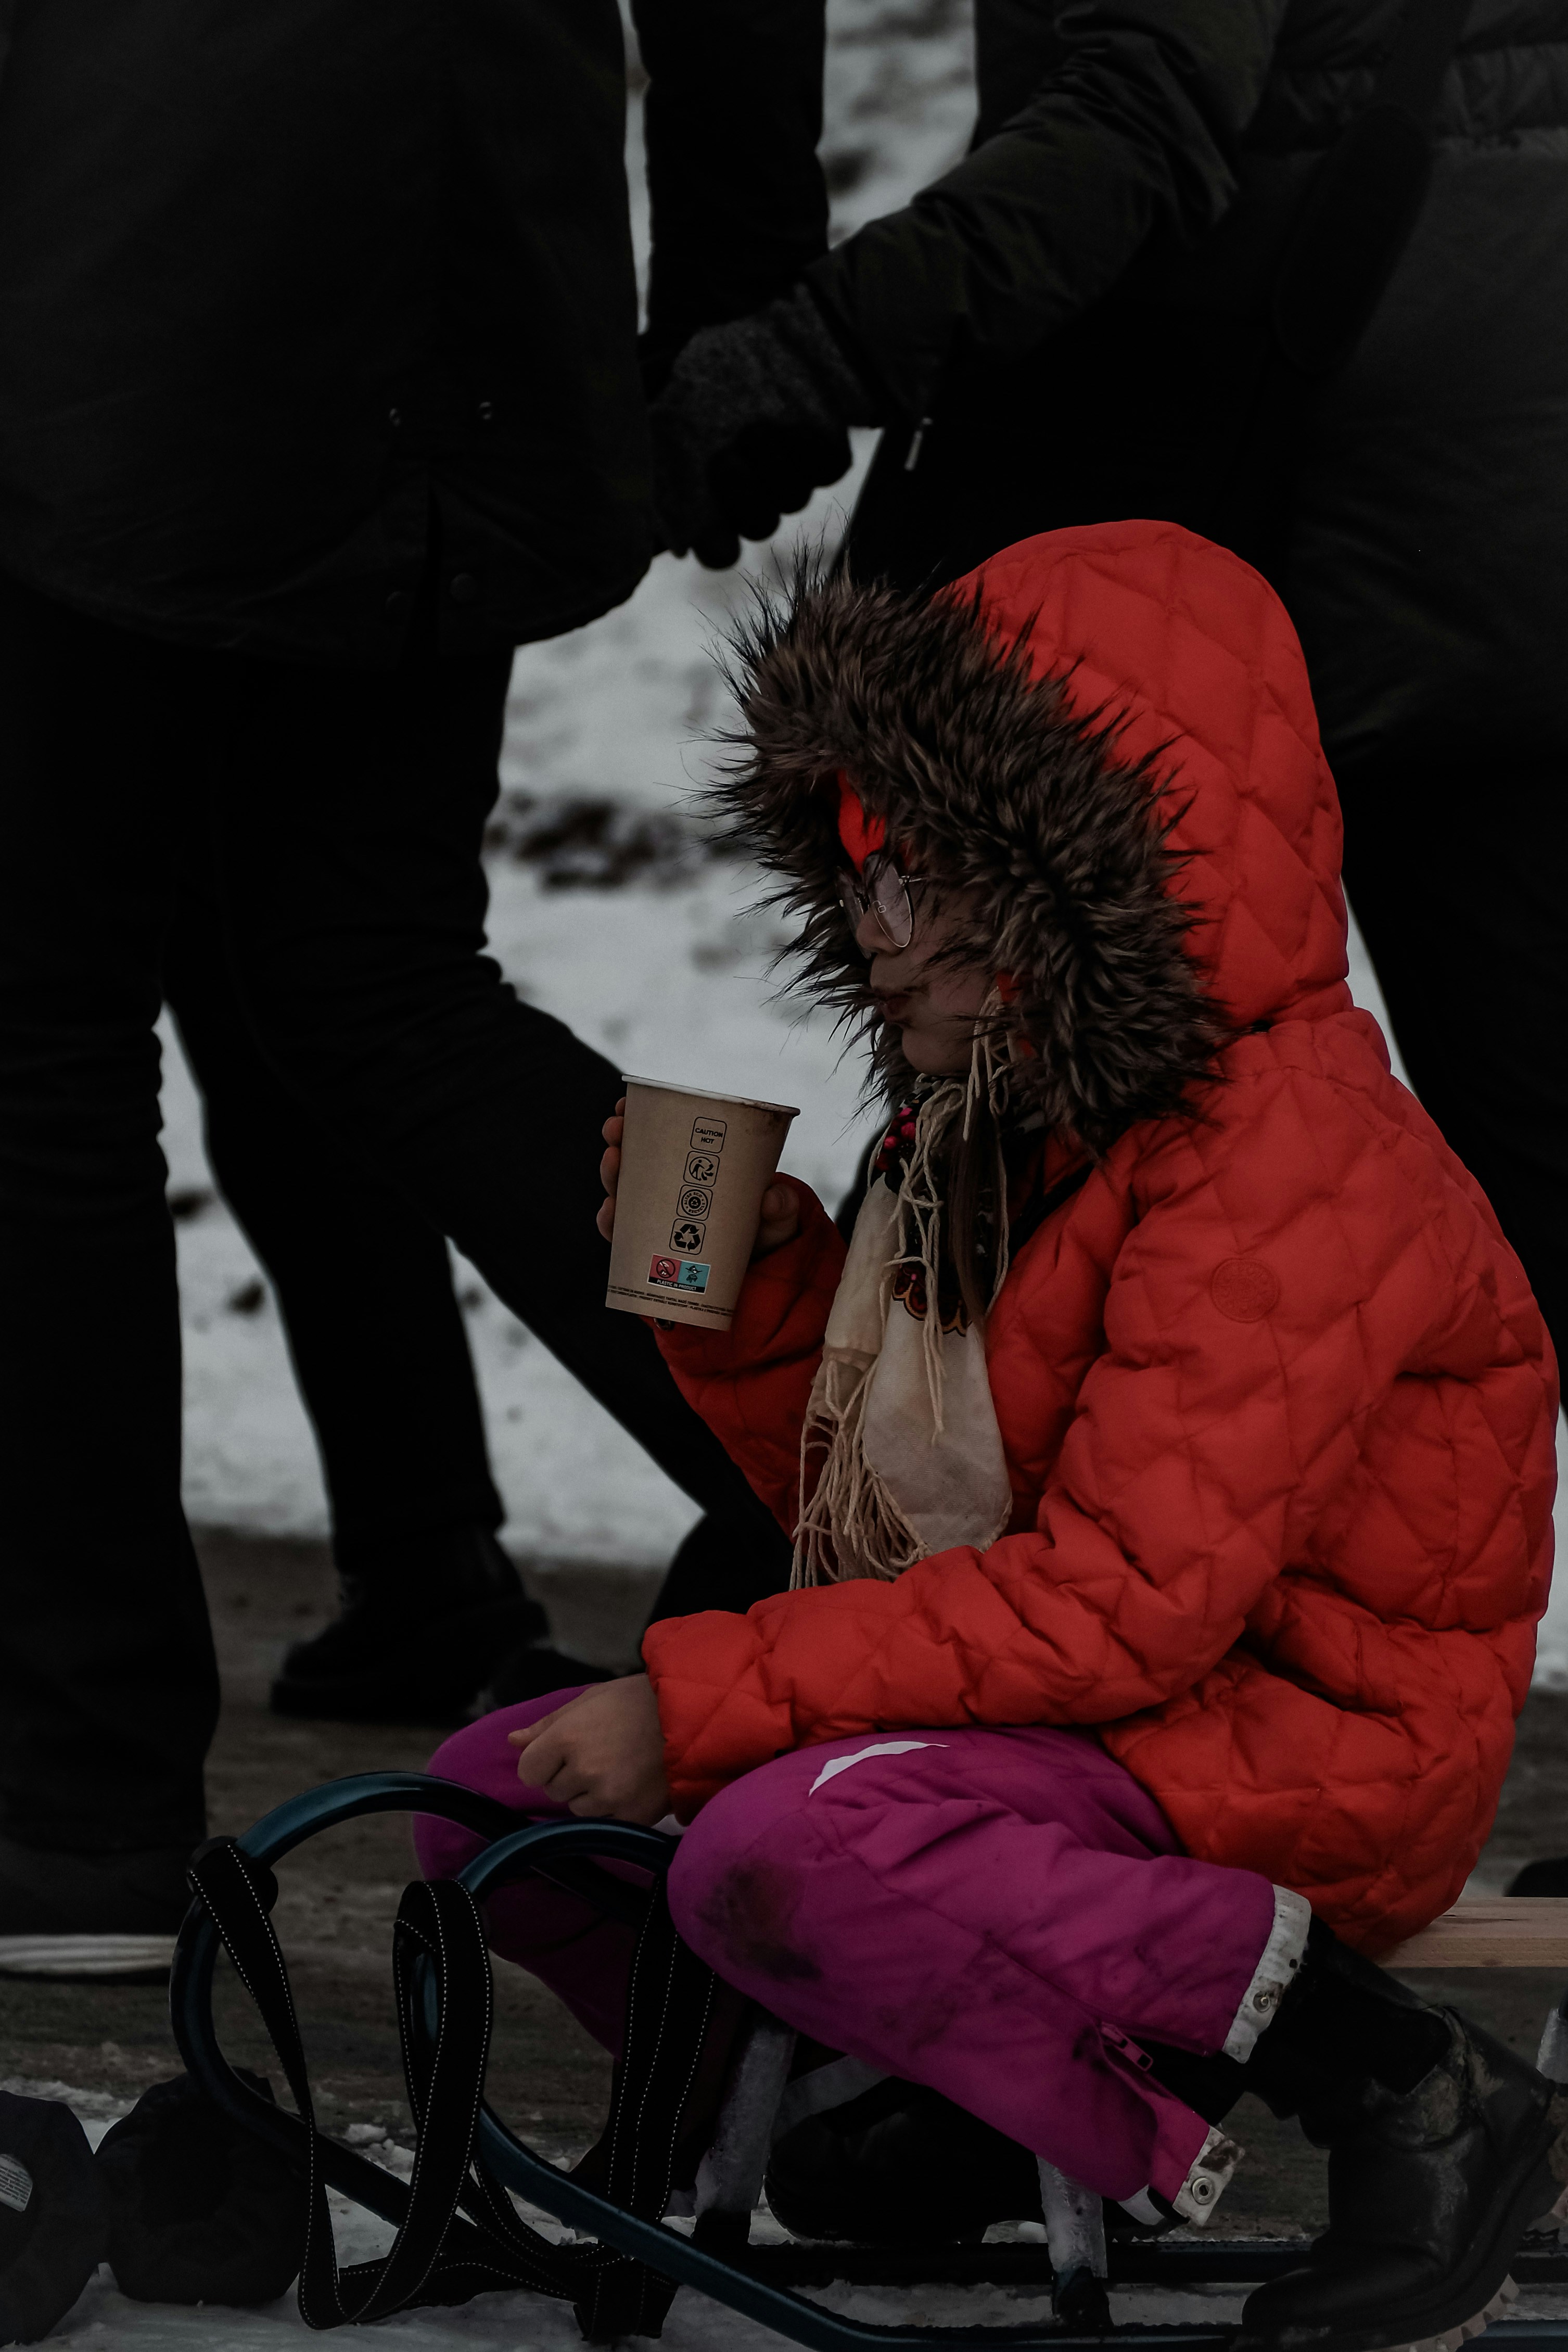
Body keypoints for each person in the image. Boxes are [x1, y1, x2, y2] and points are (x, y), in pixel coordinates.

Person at [418, 522, 1559, 2352]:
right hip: (1086, 1707)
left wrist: (701, 1704)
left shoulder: (1293, 1155)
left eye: (920, 876)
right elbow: (898, 1540)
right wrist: (751, 1298)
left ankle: (1419, 2094)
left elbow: (1127, 1602)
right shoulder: (994, 1130)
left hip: (1292, 1735)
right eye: (861, 875)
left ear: (1086, 878)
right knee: (490, 1803)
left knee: (776, 1843)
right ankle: (884, 2094)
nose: (876, 936)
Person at [0, 0, 808, 1978]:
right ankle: (853, 1444)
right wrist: (740, 296)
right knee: (388, 983)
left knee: (40, 1045)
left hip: (116, 294)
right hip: (471, 313)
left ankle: (80, 1801)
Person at [646, 0, 1568, 1382]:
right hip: (1505, 490)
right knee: (1536, 1135)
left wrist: (802, 358)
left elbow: (1138, 116)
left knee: (1003, 1199)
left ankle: (823, 1567)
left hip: (1260, 502)